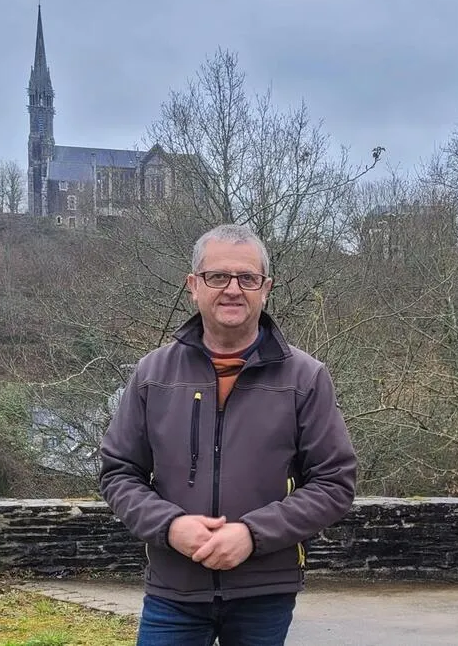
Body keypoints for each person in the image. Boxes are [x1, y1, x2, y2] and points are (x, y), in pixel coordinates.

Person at [99, 223, 357, 646]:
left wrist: (252, 535)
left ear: (266, 288)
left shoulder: (305, 378)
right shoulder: (152, 375)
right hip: (173, 590)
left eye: (247, 278)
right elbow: (118, 473)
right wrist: (171, 526)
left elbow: (334, 483)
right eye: (217, 276)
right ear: (193, 286)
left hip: (264, 591)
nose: (233, 289)